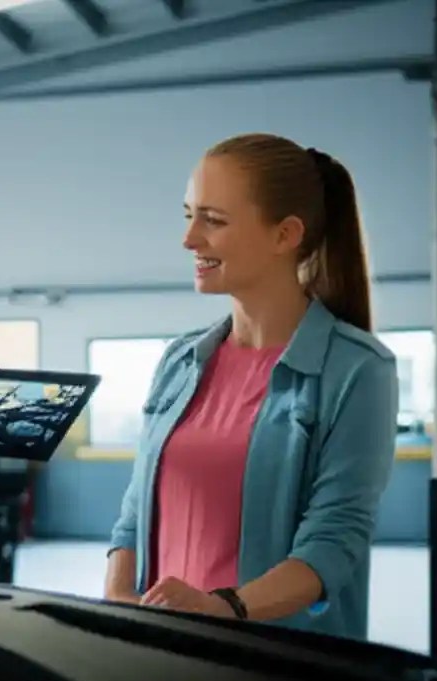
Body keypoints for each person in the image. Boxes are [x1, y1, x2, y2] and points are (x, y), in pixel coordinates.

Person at [103, 132, 399, 641]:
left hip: (279, 669)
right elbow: (134, 513)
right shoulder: (179, 362)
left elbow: (332, 544)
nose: (189, 238)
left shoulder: (358, 370)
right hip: (166, 657)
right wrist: (119, 599)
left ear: (285, 234)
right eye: (188, 215)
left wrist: (225, 609)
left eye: (213, 220)